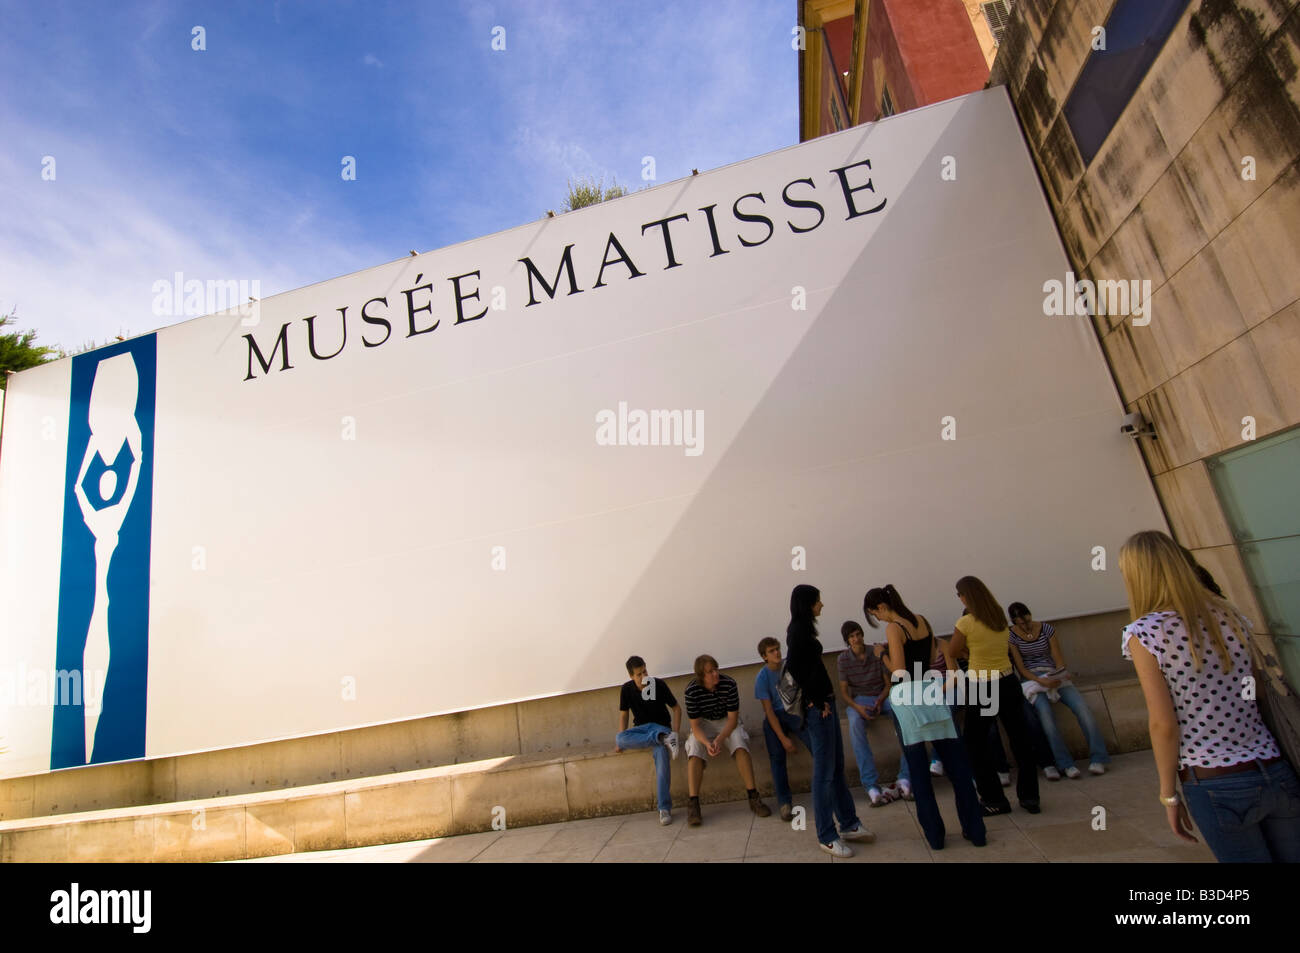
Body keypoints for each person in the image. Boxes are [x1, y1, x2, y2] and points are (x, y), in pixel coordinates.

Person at [1119, 530, 1300, 862]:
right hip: (1274, 769)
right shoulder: (1230, 615)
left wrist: (1168, 796)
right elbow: (1256, 694)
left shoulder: (1144, 632)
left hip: (1214, 781)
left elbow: (1163, 724)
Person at [865, 584, 985, 849]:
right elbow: (931, 657)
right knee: (958, 767)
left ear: (881, 608)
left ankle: (935, 837)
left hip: (908, 700)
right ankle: (976, 830)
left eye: (875, 614)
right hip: (932, 693)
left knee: (918, 771)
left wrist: (881, 653)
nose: (878, 619)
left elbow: (898, 671)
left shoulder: (894, 628)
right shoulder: (921, 621)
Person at [785, 584, 876, 856]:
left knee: (836, 768)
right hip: (818, 709)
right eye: (818, 601)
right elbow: (796, 668)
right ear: (807, 604)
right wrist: (816, 700)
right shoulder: (798, 632)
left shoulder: (804, 629)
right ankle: (826, 834)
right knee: (824, 774)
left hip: (825, 703)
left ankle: (849, 823)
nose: (821, 605)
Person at [950, 575, 1041, 815]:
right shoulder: (999, 615)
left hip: (982, 685)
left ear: (965, 596)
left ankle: (993, 799)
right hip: (1008, 680)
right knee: (1020, 739)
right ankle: (1030, 797)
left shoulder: (966, 622)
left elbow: (952, 649)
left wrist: (969, 654)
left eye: (959, 594)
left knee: (975, 743)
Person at [1007, 602, 1111, 779]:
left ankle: (1099, 757)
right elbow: (1021, 667)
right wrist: (1040, 680)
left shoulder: (1046, 629)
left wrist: (1058, 674)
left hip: (1053, 674)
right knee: (1045, 715)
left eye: (1027, 621)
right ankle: (1065, 763)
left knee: (1082, 709)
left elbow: (1058, 657)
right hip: (1032, 679)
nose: (1025, 626)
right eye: (1021, 623)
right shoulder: (1012, 636)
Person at [683, 655, 772, 825]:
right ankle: (693, 804)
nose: (715, 674)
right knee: (694, 747)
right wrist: (708, 743)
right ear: (701, 675)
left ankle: (753, 796)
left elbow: (732, 719)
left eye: (716, 669)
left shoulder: (729, 684)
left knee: (739, 743)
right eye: (710, 672)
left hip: (726, 720)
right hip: (704, 723)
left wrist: (719, 739)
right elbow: (695, 726)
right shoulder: (691, 691)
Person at [838, 620, 910, 805]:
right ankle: (871, 786)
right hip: (860, 699)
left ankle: (905, 777)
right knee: (854, 724)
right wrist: (858, 707)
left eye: (858, 634)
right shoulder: (843, 660)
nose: (856, 639)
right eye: (852, 636)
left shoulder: (875, 652)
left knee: (905, 714)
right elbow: (844, 693)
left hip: (883, 696)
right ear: (847, 640)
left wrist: (880, 699)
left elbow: (888, 684)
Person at [615, 655, 681, 825]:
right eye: (639, 674)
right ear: (631, 676)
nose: (644, 676)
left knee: (662, 757)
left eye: (645, 671)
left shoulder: (658, 684)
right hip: (642, 731)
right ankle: (661, 739)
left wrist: (676, 733)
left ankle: (664, 808)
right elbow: (624, 714)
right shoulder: (626, 689)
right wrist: (620, 743)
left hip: (661, 727)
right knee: (620, 738)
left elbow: (676, 708)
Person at [754, 637, 811, 821]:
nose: (777, 653)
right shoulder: (762, 678)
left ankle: (830, 788)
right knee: (777, 757)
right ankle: (785, 803)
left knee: (814, 741)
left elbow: (802, 693)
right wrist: (783, 739)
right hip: (775, 716)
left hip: (794, 711)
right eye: (771, 651)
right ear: (764, 656)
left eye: (777, 649)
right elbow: (769, 711)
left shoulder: (790, 667)